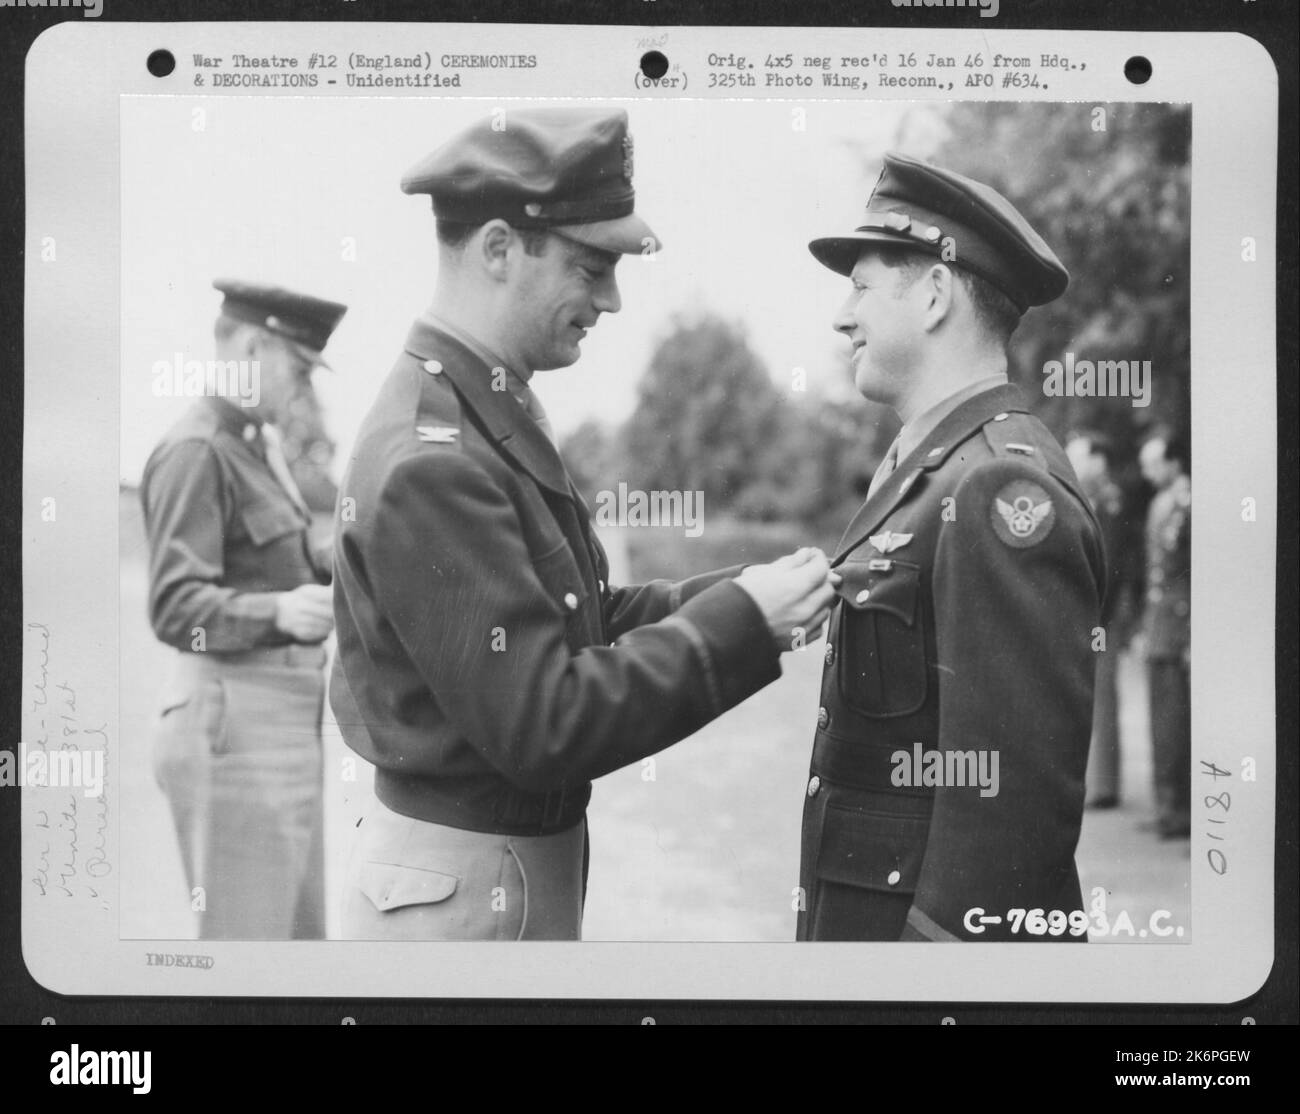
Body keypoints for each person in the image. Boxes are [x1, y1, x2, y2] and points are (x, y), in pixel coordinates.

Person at [330, 107, 834, 941]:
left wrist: (742, 592)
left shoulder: (485, 407)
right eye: (591, 266)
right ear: (498, 249)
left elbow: (574, 623)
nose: (612, 299)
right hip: (461, 893)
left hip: (484, 869)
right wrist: (744, 626)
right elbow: (545, 721)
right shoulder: (436, 459)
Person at [798, 152, 1106, 942]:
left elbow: (1012, 815)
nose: (842, 316)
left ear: (934, 295)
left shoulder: (997, 485)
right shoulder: (929, 468)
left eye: (862, 286)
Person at [140, 279, 346, 939]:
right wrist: (279, 615)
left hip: (273, 726)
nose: (303, 387)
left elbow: (284, 567)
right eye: (299, 367)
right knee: (245, 956)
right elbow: (175, 606)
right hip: (233, 726)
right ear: (255, 345)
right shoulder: (199, 449)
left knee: (293, 952)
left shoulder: (253, 446)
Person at [1066, 429, 1138, 809]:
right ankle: (1098, 784)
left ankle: (1106, 787)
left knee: (1103, 698)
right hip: (1098, 612)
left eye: (1078, 454)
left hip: (1104, 613)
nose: (1070, 459)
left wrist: (1096, 620)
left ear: (1098, 460)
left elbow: (1109, 567)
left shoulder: (1108, 501)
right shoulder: (1092, 498)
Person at [1138, 430, 1191, 839]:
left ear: (1174, 463)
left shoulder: (1187, 504)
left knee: (1176, 722)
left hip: (1179, 623)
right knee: (1160, 720)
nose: (1147, 472)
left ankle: (1180, 810)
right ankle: (1166, 806)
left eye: (1154, 463)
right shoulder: (1160, 502)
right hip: (1160, 623)